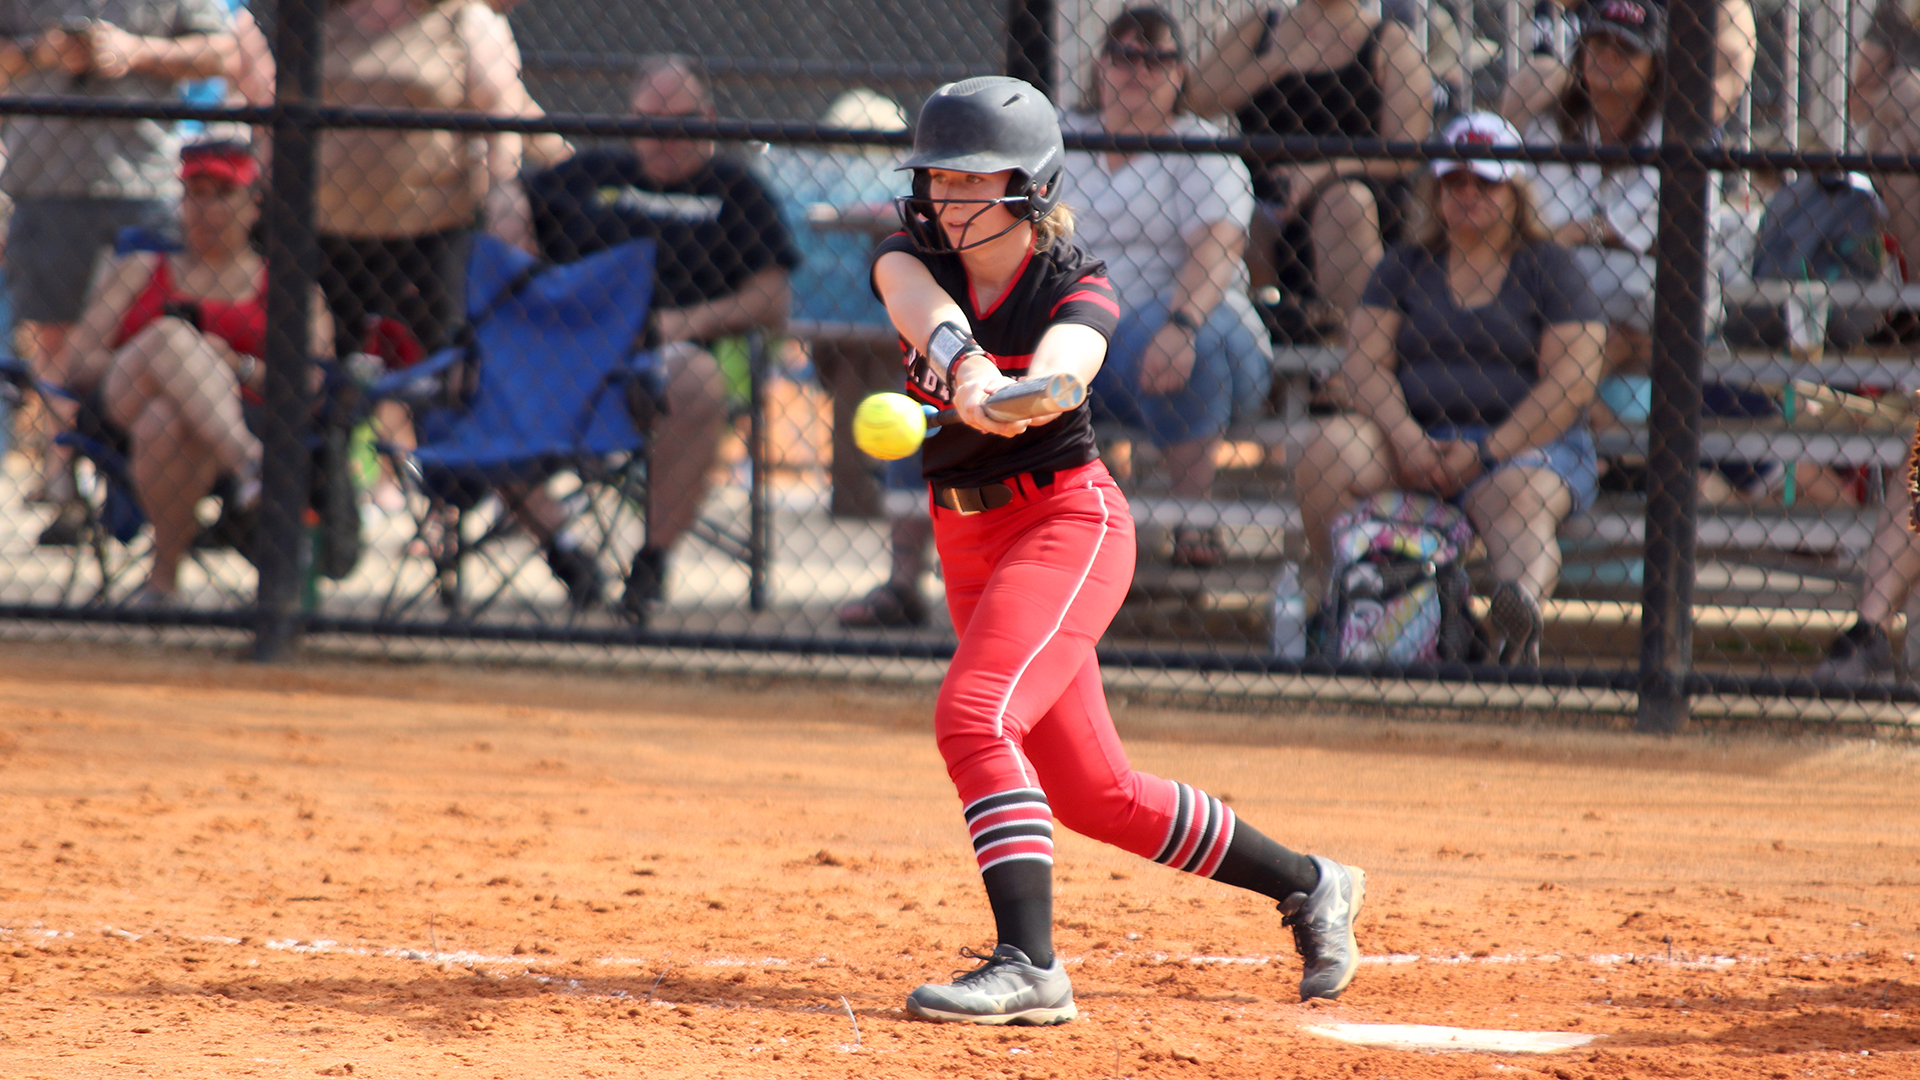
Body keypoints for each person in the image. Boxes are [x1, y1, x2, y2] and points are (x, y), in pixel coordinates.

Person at [875, 76, 1363, 1025]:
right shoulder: (910, 252)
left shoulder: (1074, 282)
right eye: (938, 177)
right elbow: (918, 304)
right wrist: (967, 368)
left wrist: (1030, 393)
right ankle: (1314, 883)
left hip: (1066, 525)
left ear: (1030, 188)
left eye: (973, 180)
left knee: (975, 717)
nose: (946, 197)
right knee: (1097, 795)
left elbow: (1073, 361)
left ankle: (1031, 965)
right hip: (966, 538)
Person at [1297, 112, 1605, 665]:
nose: (1468, 194)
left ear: (1516, 193)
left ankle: (1516, 620)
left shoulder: (1551, 267)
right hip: (1416, 440)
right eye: (1454, 182)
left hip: (1523, 449)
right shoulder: (1406, 264)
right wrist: (1407, 439)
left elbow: (1571, 383)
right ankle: (1337, 600)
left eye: (1486, 183)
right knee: (1328, 451)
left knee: (1514, 500)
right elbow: (1364, 364)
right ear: (1435, 191)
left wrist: (1487, 452)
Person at [526, 54, 797, 622]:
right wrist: (508, 210)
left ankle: (650, 563)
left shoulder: (736, 190)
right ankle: (564, 551)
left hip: (662, 361)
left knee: (694, 377)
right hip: (570, 354)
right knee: (472, 375)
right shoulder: (593, 173)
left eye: (682, 122)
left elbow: (772, 300)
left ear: (709, 118)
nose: (664, 137)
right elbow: (514, 200)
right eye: (649, 122)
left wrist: (686, 323)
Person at [57, 141, 330, 606]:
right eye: (196, 194)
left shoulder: (286, 283)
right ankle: (249, 462)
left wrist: (236, 366)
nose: (208, 209)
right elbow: (78, 365)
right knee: (169, 337)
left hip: (244, 413)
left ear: (254, 204)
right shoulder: (138, 269)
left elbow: (312, 381)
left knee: (167, 420)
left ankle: (162, 584)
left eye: (223, 194)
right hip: (122, 404)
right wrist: (161, 358)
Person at [0, 0, 238, 527]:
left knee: (148, 334)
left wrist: (136, 52)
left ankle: (137, 483)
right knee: (53, 339)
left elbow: (223, 53)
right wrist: (39, 53)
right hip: (44, 183)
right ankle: (65, 477)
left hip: (142, 182)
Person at [1066, 6, 1273, 567]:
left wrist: (1181, 323)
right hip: (1079, 335)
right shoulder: (1060, 141)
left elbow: (1217, 246)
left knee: (1185, 343)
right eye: (1125, 55)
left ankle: (1192, 521)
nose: (1140, 70)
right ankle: (906, 575)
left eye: (1158, 59)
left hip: (1199, 326)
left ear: (1180, 73)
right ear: (1100, 66)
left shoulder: (1201, 146)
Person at [1186, 0, 1431, 334]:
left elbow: (1406, 151)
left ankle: (1356, 348)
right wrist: (1276, 63)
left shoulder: (1389, 40)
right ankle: (1254, 339)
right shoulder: (1261, 27)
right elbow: (1192, 101)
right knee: (1233, 214)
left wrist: (1322, 173)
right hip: (1263, 193)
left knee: (1345, 204)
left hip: (1353, 194)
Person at [1499, 0, 1755, 137]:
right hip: (1585, 103)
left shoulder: (1725, 10)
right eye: (1604, 45)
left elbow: (1732, 55)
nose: (1611, 53)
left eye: (1622, 49)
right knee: (1537, 75)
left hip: (1660, 105)